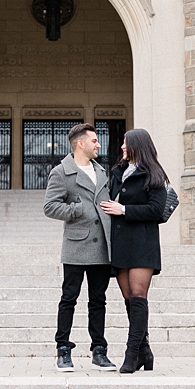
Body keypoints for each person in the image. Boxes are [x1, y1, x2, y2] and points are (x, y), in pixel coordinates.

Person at [43, 123, 118, 373]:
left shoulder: (102, 172)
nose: (99, 144)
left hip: (102, 247)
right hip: (76, 245)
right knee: (69, 299)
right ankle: (63, 350)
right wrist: (77, 210)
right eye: (94, 141)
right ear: (80, 144)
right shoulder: (61, 172)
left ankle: (99, 351)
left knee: (98, 301)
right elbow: (50, 207)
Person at [99, 127, 168, 374]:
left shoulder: (154, 174)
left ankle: (131, 354)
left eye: (126, 143)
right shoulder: (117, 173)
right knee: (129, 300)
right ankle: (145, 353)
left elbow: (156, 210)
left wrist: (124, 210)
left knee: (138, 296)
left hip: (143, 243)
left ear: (137, 145)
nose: (122, 147)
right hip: (120, 243)